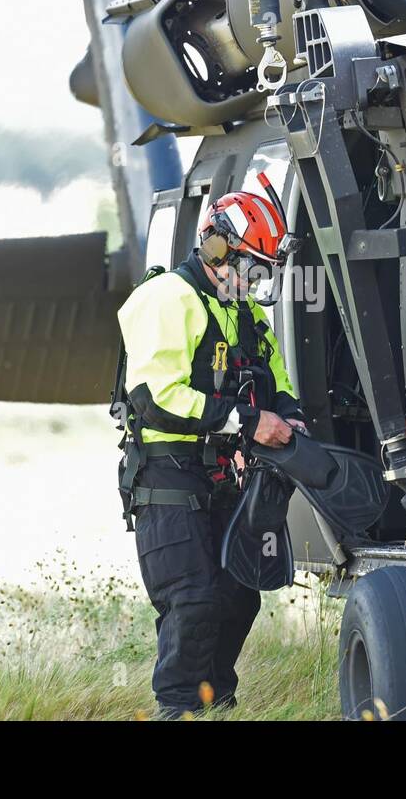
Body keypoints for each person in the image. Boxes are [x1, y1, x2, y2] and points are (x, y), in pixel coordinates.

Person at [115, 187, 306, 718]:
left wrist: (288, 415)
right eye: (251, 267)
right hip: (168, 481)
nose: (254, 283)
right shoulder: (168, 298)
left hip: (225, 482)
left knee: (239, 596)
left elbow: (276, 380)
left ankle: (216, 704)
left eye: (263, 273)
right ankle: (178, 709)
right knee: (193, 602)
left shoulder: (242, 310)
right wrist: (247, 421)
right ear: (218, 248)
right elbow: (155, 398)